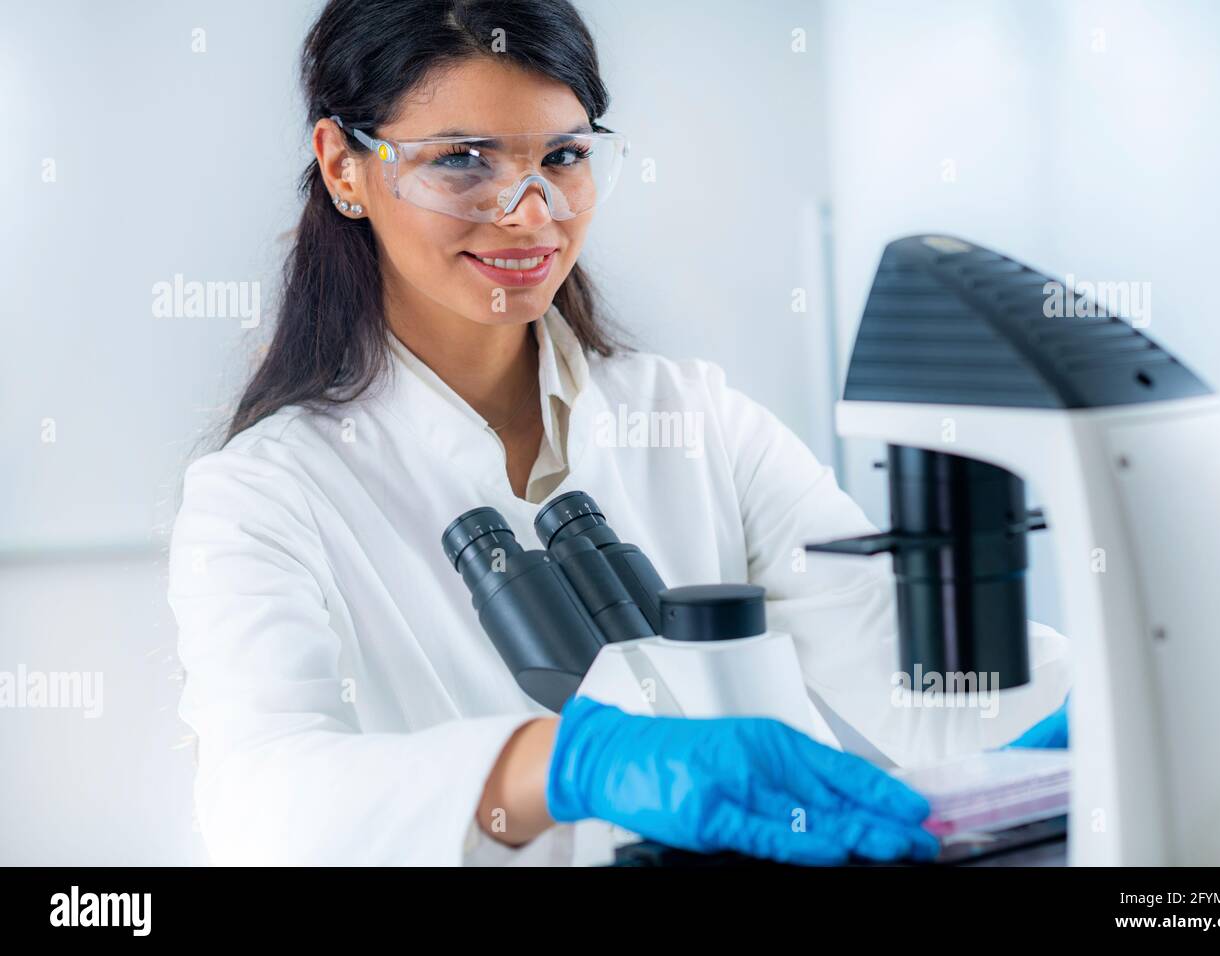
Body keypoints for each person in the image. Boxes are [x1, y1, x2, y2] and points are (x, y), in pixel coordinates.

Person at [169, 0, 1070, 866]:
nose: (529, 212)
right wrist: (566, 763)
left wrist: (1096, 701)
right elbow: (261, 810)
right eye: (463, 160)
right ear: (344, 167)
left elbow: (905, 669)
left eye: (562, 157)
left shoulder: (696, 421)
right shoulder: (266, 495)